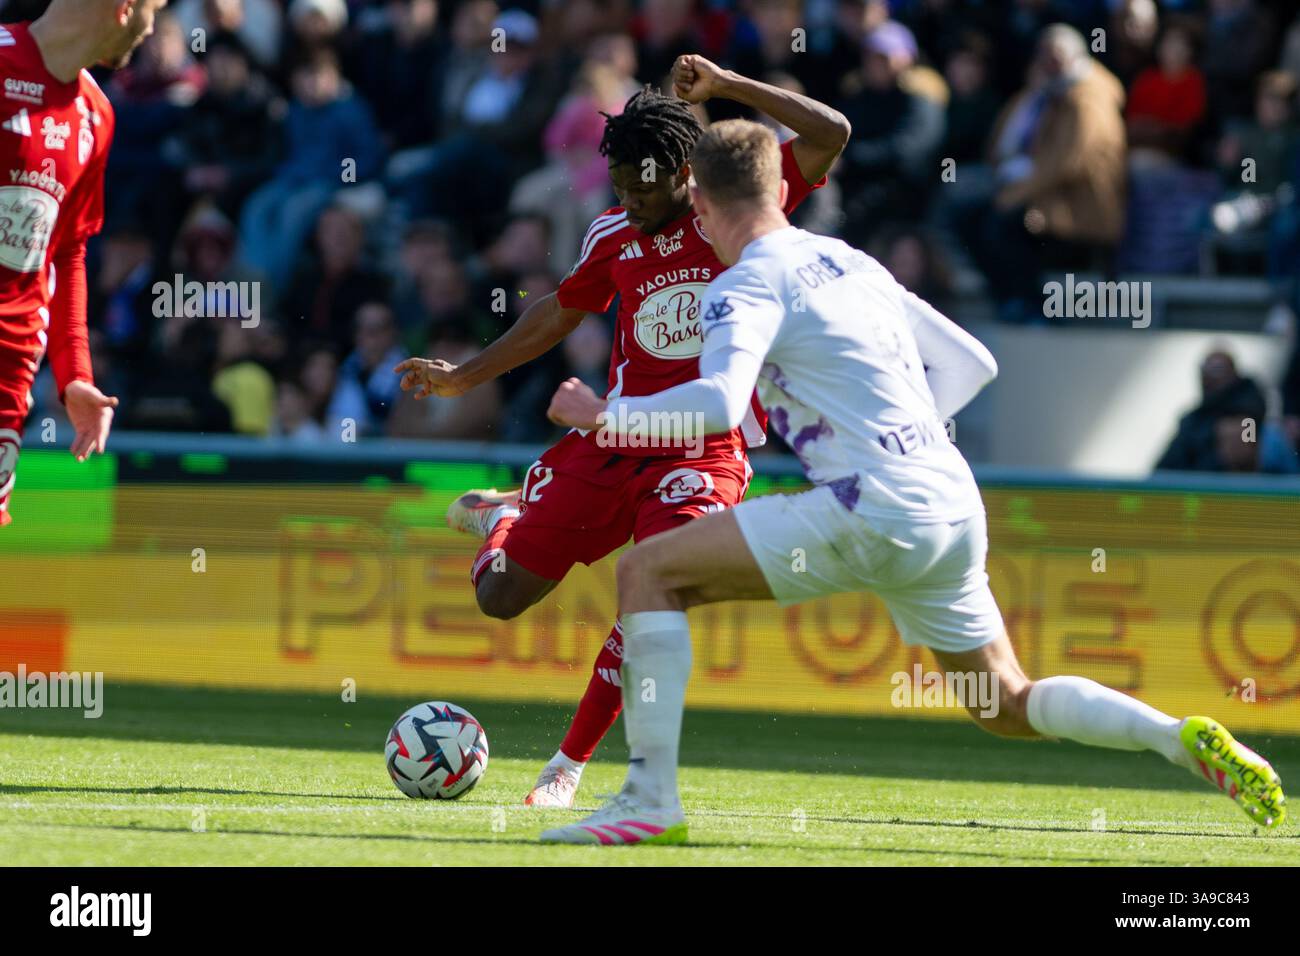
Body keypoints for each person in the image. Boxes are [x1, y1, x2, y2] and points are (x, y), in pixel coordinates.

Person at [539, 119, 1287, 845]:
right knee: (1008, 702)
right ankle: (1175, 738)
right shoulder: (852, 263)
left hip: (872, 505)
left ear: (698, 199)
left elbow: (717, 407)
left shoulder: (741, 287)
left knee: (646, 573)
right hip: (950, 503)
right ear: (774, 186)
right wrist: (896, 434)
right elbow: (973, 365)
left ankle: (647, 798)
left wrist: (604, 417)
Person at [395, 55, 850, 809]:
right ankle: (504, 517)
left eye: (645, 189)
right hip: (613, 440)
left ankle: (566, 766)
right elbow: (559, 312)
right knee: (501, 599)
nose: (632, 203)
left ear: (686, 172)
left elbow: (831, 131)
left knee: (654, 588)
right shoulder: (613, 234)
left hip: (706, 448)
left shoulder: (741, 209)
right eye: (621, 189)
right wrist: (463, 376)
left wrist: (730, 86)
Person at [0, 0, 169, 525]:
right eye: (155, 9)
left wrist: (74, 373)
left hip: (10, 375)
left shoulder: (97, 116)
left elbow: (69, 250)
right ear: (124, 7)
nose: (152, 28)